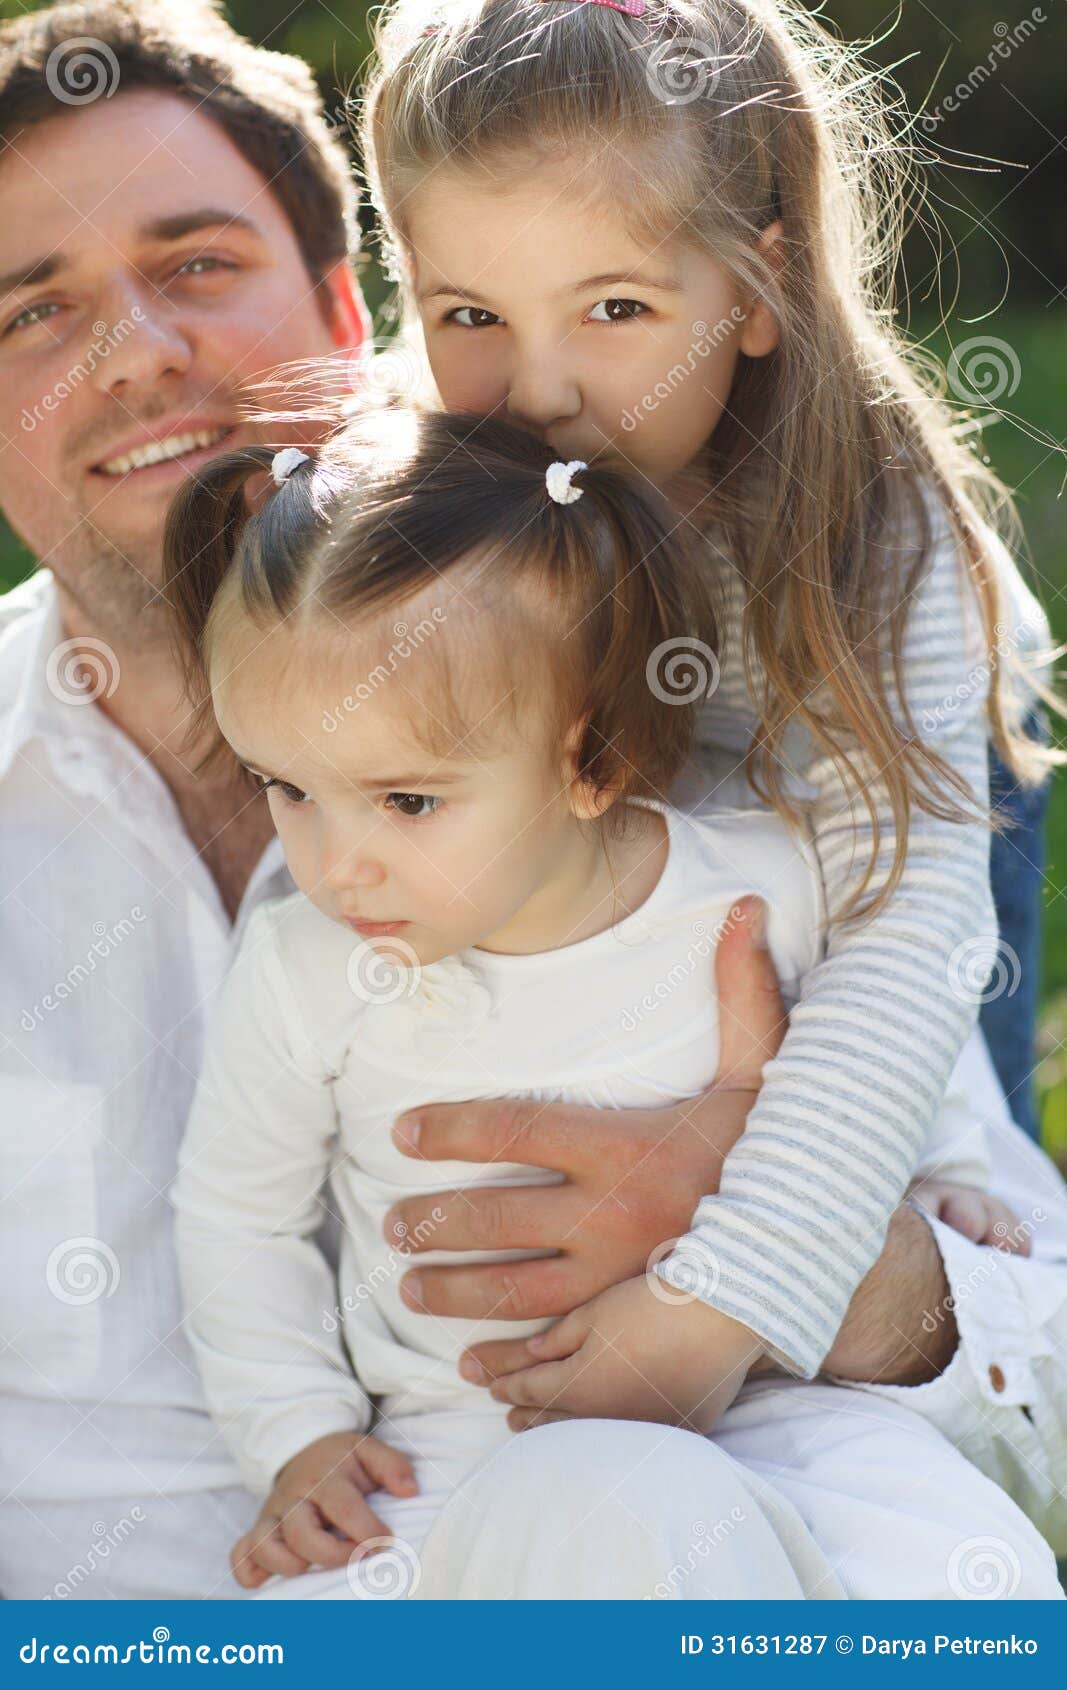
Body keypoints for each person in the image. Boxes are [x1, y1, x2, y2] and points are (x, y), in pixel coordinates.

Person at [0, 0, 1062, 1601]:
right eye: (30, 307)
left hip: (695, 1443)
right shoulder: (415, 528)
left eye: (199, 263)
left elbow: (917, 997)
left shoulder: (840, 602)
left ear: (341, 307)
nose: (541, 392)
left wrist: (776, 1264)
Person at [163, 405, 1027, 1592]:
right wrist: (300, 1435)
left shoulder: (756, 886)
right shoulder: (306, 967)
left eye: (405, 802)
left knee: (954, 1572)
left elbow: (875, 1060)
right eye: (287, 787)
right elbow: (234, 1218)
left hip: (770, 1404)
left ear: (590, 760)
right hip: (454, 1438)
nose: (334, 863)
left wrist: (939, 1178)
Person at [353, 0, 1062, 1389]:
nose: (537, 386)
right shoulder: (423, 492)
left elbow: (906, 925)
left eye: (615, 308)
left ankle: (957, 1185)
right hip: (677, 841)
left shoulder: (869, 527)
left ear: (750, 292)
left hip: (896, 782)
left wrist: (721, 1299)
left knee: (943, 1089)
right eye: (469, 313)